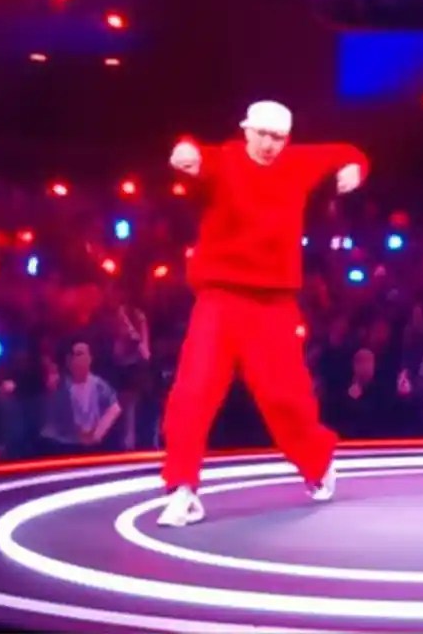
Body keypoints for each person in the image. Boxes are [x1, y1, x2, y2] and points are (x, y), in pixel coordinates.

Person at [157, 100, 369, 527]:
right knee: (193, 390)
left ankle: (318, 462)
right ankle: (182, 487)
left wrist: (354, 170)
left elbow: (349, 152)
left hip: (273, 302)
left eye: (278, 137)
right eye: (262, 135)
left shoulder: (298, 163)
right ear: (246, 130)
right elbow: (195, 153)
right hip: (219, 296)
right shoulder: (227, 159)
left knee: (285, 396)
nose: (270, 144)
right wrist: (186, 154)